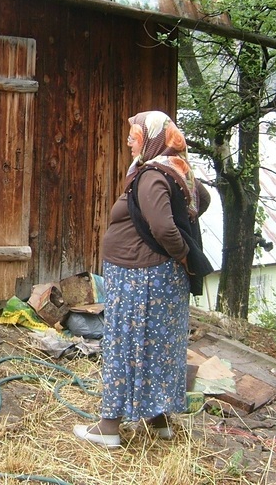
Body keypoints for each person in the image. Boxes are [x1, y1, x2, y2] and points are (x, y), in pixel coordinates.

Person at [73, 110, 212, 448]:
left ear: (151, 138)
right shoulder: (175, 168)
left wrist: (179, 251)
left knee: (127, 345)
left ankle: (109, 427)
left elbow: (163, 227)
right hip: (152, 276)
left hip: (142, 278)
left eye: (134, 134)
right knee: (159, 347)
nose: (128, 140)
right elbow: (201, 200)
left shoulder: (152, 174)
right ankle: (159, 419)